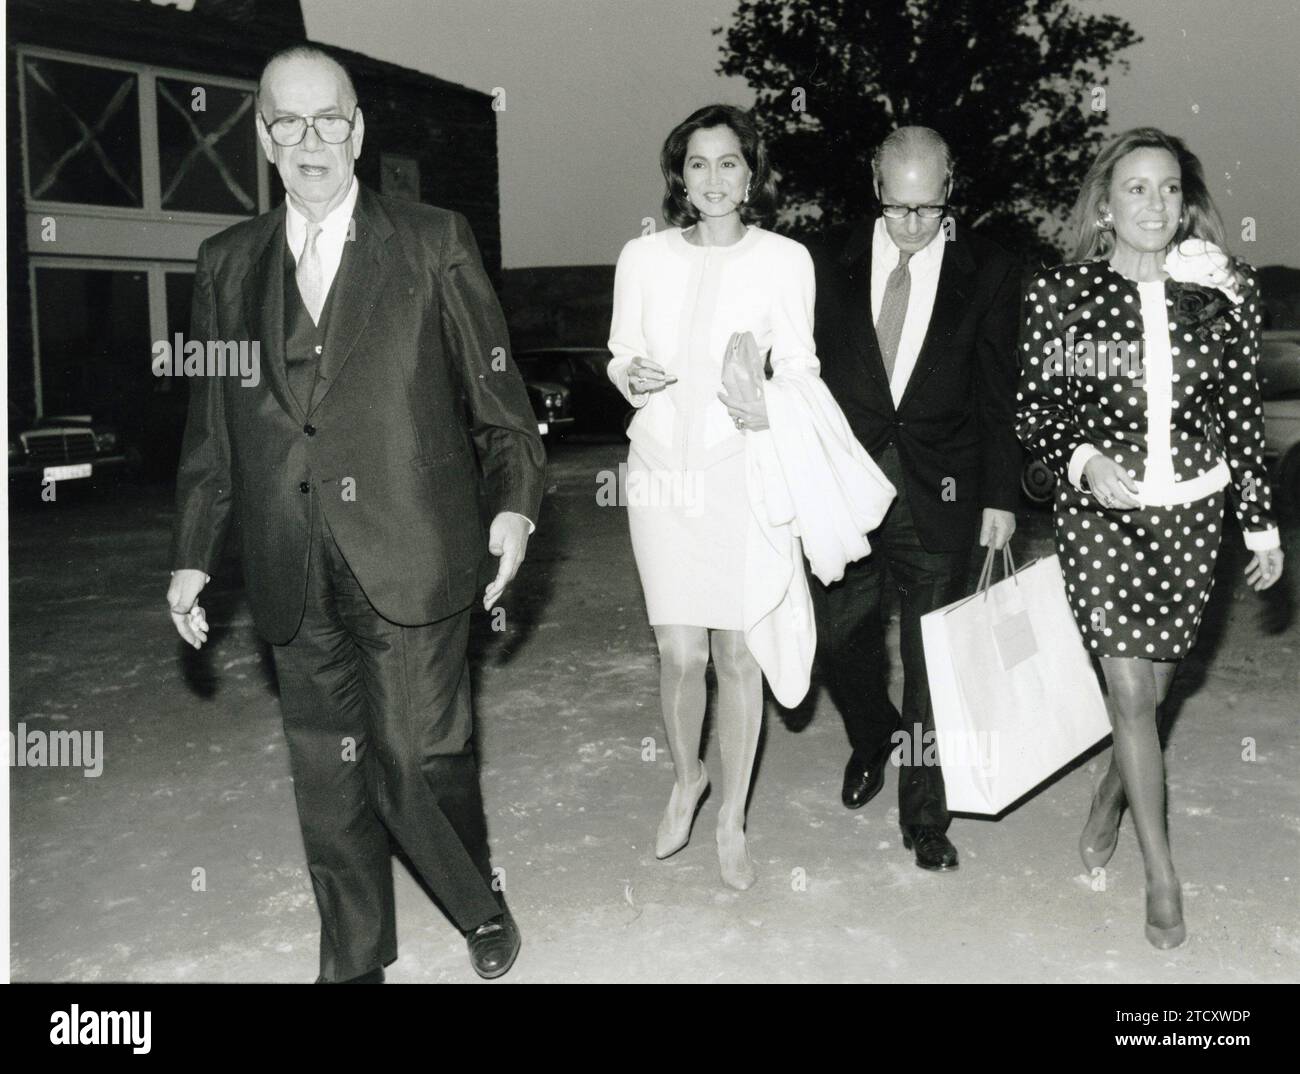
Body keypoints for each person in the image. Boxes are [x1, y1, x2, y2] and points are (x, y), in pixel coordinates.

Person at [166, 46, 545, 981]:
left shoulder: (432, 239)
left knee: (414, 760)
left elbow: (500, 399)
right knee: (327, 771)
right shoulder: (225, 264)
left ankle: (474, 901)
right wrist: (192, 553)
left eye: (326, 120)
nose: (308, 142)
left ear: (358, 131)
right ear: (261, 137)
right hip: (289, 557)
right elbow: (214, 427)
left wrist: (515, 508)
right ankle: (354, 959)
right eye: (285, 124)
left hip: (414, 547)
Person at [607, 104, 890, 891]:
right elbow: (621, 352)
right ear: (679, 176)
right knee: (679, 652)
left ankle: (731, 815)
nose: (713, 179)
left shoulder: (785, 260)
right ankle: (686, 779)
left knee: (737, 653)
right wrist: (627, 376)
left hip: (740, 468)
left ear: (751, 174)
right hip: (662, 470)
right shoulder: (643, 257)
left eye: (729, 162)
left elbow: (799, 364)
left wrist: (772, 403)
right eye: (697, 164)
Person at [1016, 127, 1283, 949]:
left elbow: (1241, 417)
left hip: (1193, 516)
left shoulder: (1221, 292)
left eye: (1170, 189)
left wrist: (1262, 524)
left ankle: (1109, 795)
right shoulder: (1058, 295)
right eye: (1136, 189)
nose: (1156, 205)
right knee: (1130, 694)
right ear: (1104, 204)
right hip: (1101, 519)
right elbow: (1033, 413)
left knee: (1156, 694)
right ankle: (1161, 874)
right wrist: (1084, 458)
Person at [810, 127, 1022, 871]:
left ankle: (925, 816)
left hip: (943, 491)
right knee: (836, 640)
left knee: (931, 659)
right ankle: (874, 735)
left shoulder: (989, 270)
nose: (910, 226)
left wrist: (1001, 496)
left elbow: (1000, 396)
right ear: (874, 182)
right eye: (897, 208)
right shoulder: (819, 261)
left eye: (927, 210)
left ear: (951, 187)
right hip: (843, 488)